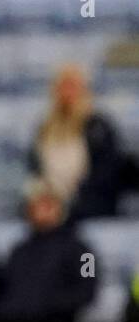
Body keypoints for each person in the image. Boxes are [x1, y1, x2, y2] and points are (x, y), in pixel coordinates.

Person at [0, 180, 98, 322]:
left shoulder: (82, 251)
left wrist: (47, 306)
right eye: (36, 206)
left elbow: (87, 290)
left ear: (60, 209)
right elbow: (3, 289)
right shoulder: (19, 251)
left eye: (47, 205)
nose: (41, 212)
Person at [29, 64, 137, 221]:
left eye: (72, 86)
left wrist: (77, 198)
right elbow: (35, 170)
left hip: (91, 206)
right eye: (63, 86)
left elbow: (107, 172)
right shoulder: (45, 128)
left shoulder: (98, 126)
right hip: (53, 204)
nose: (67, 93)